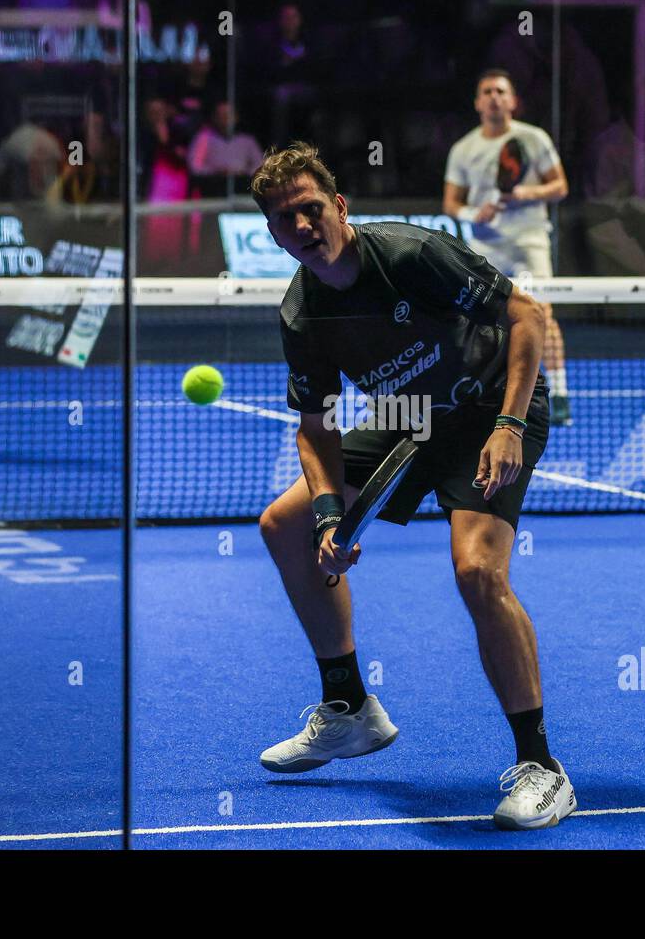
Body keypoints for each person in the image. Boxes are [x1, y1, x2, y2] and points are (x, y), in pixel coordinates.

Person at [253, 143, 576, 831]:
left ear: (340, 206)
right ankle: (347, 710)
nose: (304, 225)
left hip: (492, 408)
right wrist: (327, 519)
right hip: (407, 423)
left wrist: (512, 424)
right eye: (287, 219)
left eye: (312, 208)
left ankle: (543, 769)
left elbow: (529, 316)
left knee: (478, 571)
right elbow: (316, 430)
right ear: (274, 236)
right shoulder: (302, 315)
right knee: (281, 523)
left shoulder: (410, 255)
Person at [443, 69, 574, 426]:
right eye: (487, 91)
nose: (494, 97)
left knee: (542, 314)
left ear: (513, 101)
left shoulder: (534, 138)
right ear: (477, 102)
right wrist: (474, 214)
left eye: (501, 91)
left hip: (530, 240)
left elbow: (560, 186)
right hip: (487, 246)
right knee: (481, 321)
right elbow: (452, 203)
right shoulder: (463, 149)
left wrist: (526, 194)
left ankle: (559, 394)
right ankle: (483, 392)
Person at [186, 102, 263, 178]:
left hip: (242, 186)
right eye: (220, 115)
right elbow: (194, 166)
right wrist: (215, 172)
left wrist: (241, 173)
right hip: (211, 185)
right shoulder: (204, 138)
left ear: (236, 117)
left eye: (228, 115)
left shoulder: (247, 140)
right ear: (214, 117)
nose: (225, 118)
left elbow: (259, 166)